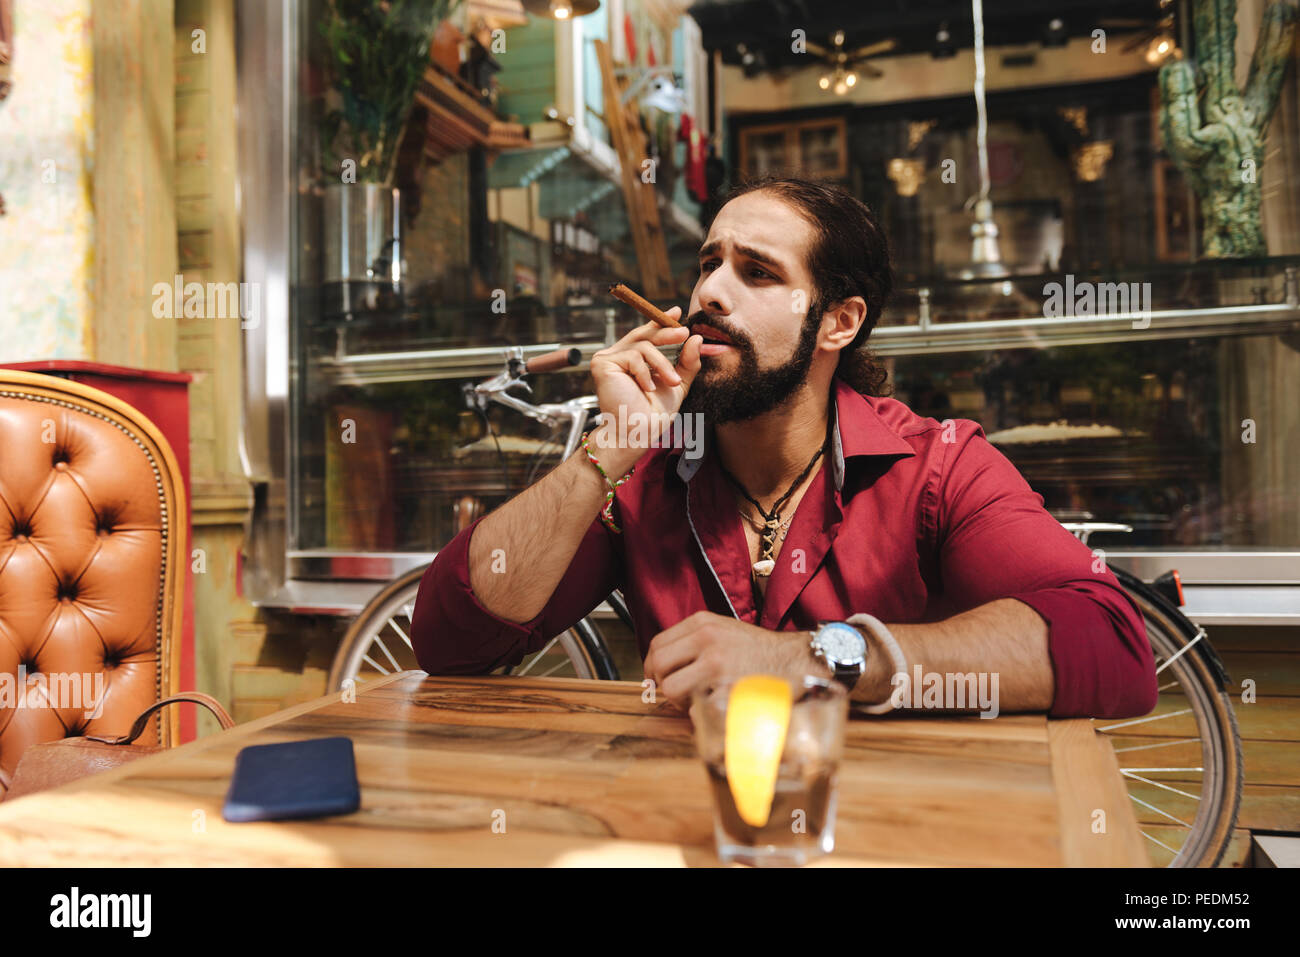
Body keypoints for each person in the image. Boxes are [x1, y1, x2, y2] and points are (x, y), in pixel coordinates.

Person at [409, 175, 1156, 719]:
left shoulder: (938, 464)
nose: (710, 295)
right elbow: (450, 641)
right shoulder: (645, 475)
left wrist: (815, 657)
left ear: (838, 322)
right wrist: (607, 451)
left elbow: (1115, 645)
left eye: (757, 272)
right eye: (708, 264)